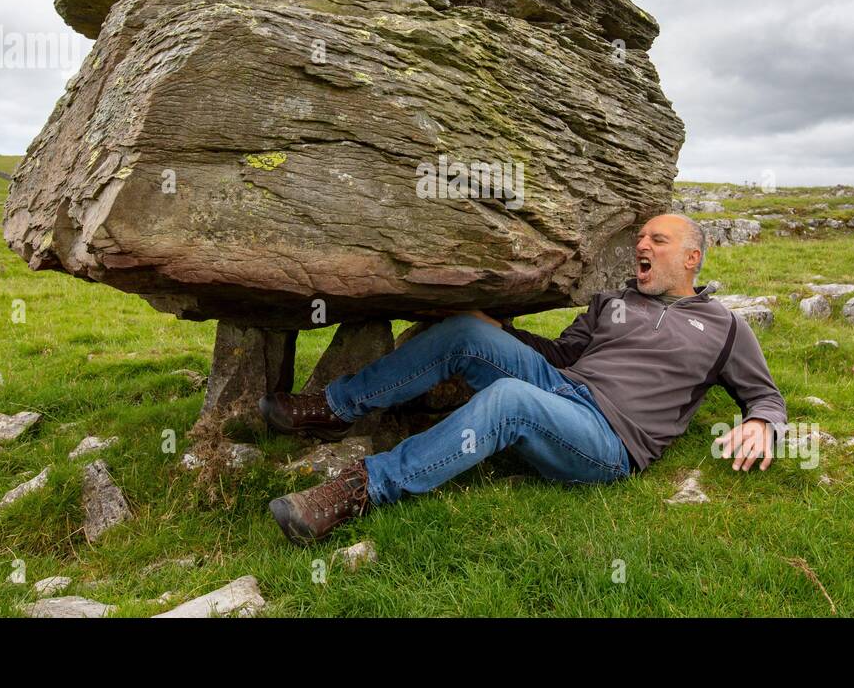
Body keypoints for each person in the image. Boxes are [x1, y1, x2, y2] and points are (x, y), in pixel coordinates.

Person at [263, 213, 788, 544]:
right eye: (641, 238)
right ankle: (336, 408)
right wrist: (502, 332)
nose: (642, 245)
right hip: (562, 385)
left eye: (659, 238)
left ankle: (364, 488)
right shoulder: (614, 302)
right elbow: (561, 351)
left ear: (692, 258)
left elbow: (762, 393)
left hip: (607, 440)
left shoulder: (725, 326)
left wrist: (764, 422)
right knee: (466, 330)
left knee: (511, 399)